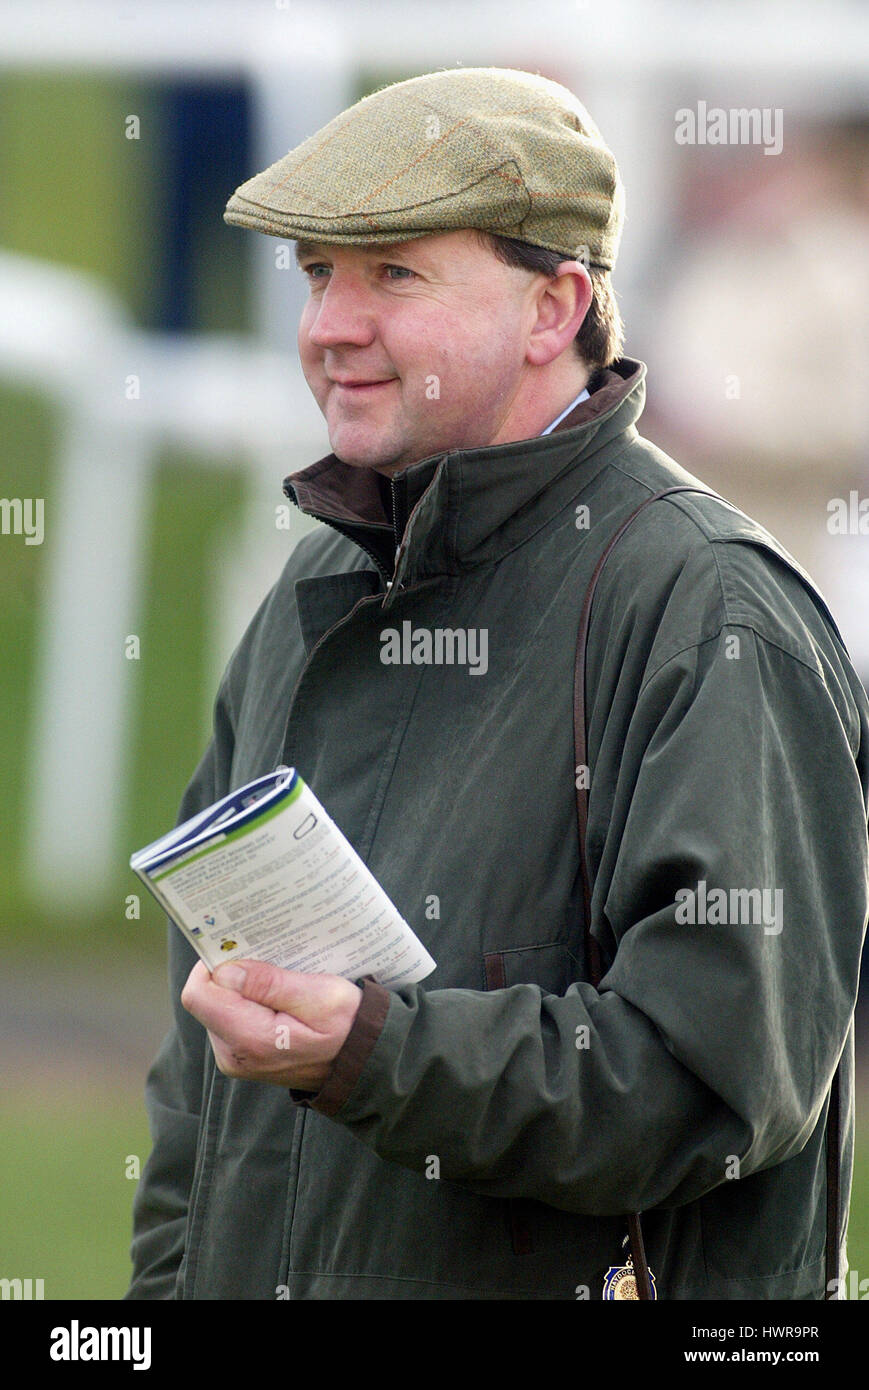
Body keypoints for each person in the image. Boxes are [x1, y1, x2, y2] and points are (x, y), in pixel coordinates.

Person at [126, 67, 869, 1301]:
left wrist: (372, 1053)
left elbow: (712, 1087)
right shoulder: (305, 596)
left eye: (392, 274)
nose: (328, 325)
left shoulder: (713, 614)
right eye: (317, 274)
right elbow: (198, 1104)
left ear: (553, 306)